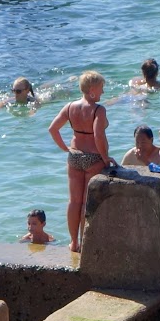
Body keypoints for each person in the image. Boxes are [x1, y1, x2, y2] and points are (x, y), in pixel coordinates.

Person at [48, 69, 112, 252]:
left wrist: (65, 148)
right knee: (85, 202)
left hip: (74, 156)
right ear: (92, 89)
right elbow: (99, 136)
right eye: (101, 88)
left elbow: (53, 129)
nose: (103, 92)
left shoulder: (70, 107)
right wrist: (106, 158)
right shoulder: (98, 110)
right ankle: (84, 242)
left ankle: (73, 242)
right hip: (93, 157)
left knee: (73, 201)